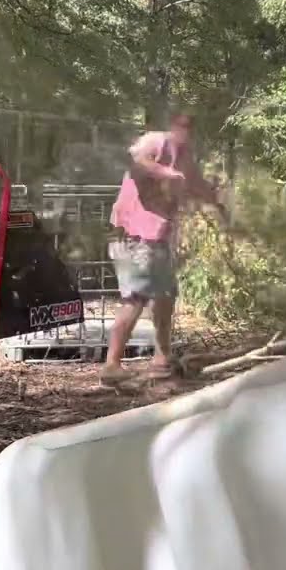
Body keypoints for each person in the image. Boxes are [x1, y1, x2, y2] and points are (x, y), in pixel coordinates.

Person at [100, 113, 226, 386]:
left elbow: (196, 184)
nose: (187, 133)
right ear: (173, 126)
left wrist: (219, 204)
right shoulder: (156, 142)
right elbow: (138, 161)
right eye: (183, 127)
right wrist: (167, 174)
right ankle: (111, 365)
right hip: (133, 235)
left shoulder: (185, 157)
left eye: (191, 129)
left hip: (156, 237)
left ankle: (161, 359)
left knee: (166, 294)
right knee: (136, 297)